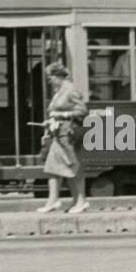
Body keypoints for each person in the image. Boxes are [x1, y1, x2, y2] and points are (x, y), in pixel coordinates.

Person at [38, 61, 89, 214]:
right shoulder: (59, 91)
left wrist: (62, 114)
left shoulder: (71, 90)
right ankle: (53, 201)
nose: (49, 81)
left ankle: (80, 201)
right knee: (52, 168)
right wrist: (51, 121)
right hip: (58, 134)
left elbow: (82, 111)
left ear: (58, 76)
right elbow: (55, 112)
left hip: (68, 134)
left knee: (72, 166)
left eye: (50, 77)